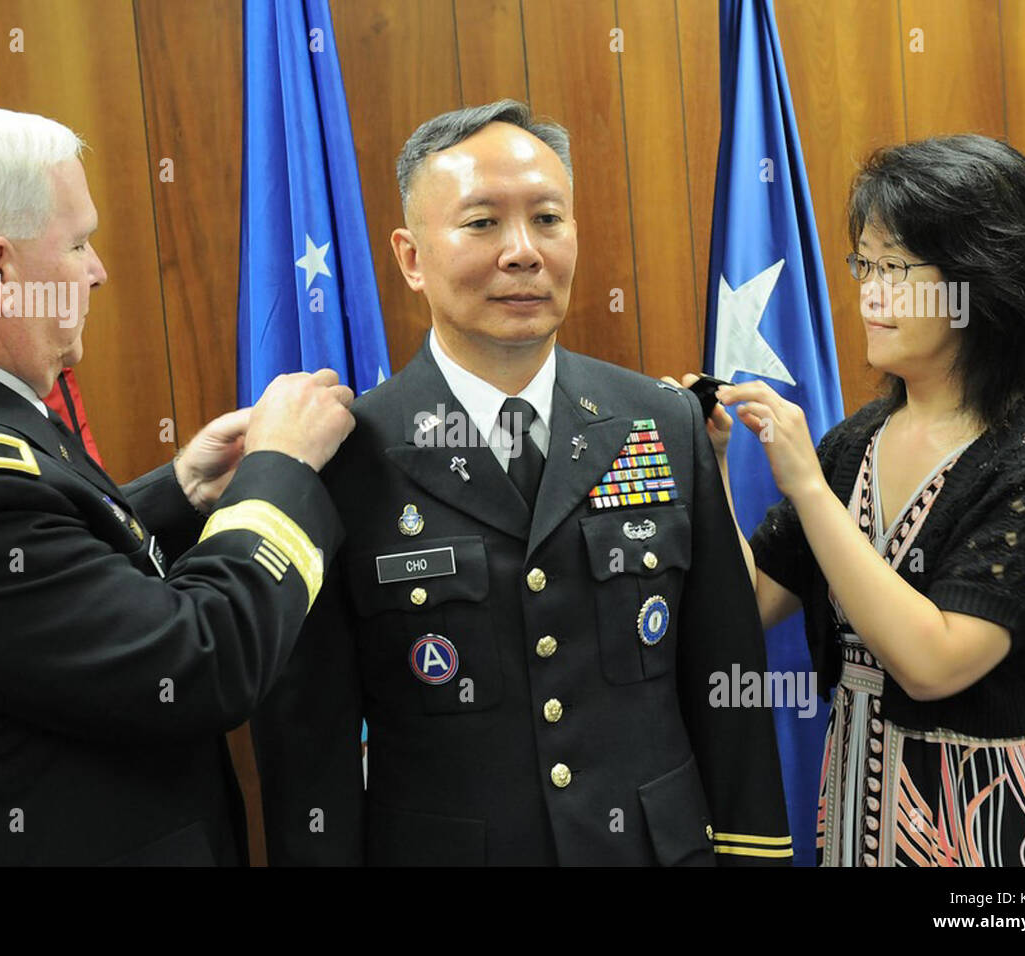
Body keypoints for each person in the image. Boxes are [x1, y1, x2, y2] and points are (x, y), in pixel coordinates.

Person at [251, 100, 791, 866]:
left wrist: (751, 853)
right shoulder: (343, 456)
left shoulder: (661, 424)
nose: (523, 253)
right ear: (409, 258)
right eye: (481, 224)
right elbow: (311, 736)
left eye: (547, 219)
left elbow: (725, 680)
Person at [0, 108, 356, 865]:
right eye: (76, 243)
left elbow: (26, 591)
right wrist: (282, 469)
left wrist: (178, 493)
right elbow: (202, 660)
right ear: (0, 273)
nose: (97, 269)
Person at [680, 135, 1025, 866]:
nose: (870, 294)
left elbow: (933, 661)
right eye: (866, 265)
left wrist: (808, 489)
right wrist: (715, 464)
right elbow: (745, 602)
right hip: (858, 806)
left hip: (1001, 823)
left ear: (982, 283)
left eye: (897, 269)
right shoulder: (859, 440)